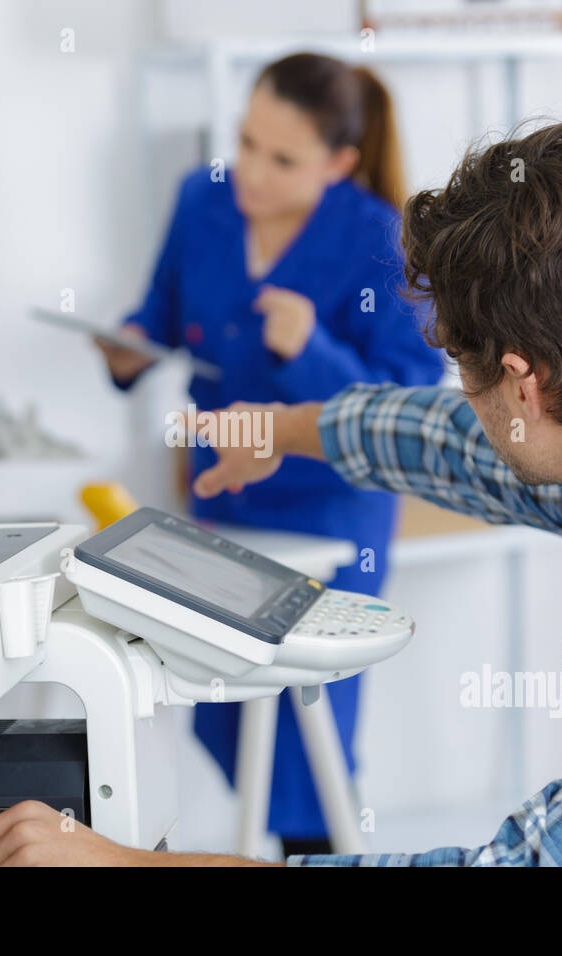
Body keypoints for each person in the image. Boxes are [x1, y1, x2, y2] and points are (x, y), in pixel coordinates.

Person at [0, 120, 562, 866]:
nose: (461, 401)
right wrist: (279, 430)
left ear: (524, 385)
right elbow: (448, 445)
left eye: (465, 376)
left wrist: (129, 868)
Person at [97, 52, 445, 853]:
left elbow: (405, 398)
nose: (250, 171)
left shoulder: (378, 239)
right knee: (214, 704)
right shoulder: (201, 201)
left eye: (281, 158)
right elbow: (159, 314)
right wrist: (127, 348)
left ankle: (314, 851)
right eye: (245, 142)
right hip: (221, 499)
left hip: (330, 512)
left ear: (340, 163)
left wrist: (312, 348)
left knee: (305, 734)